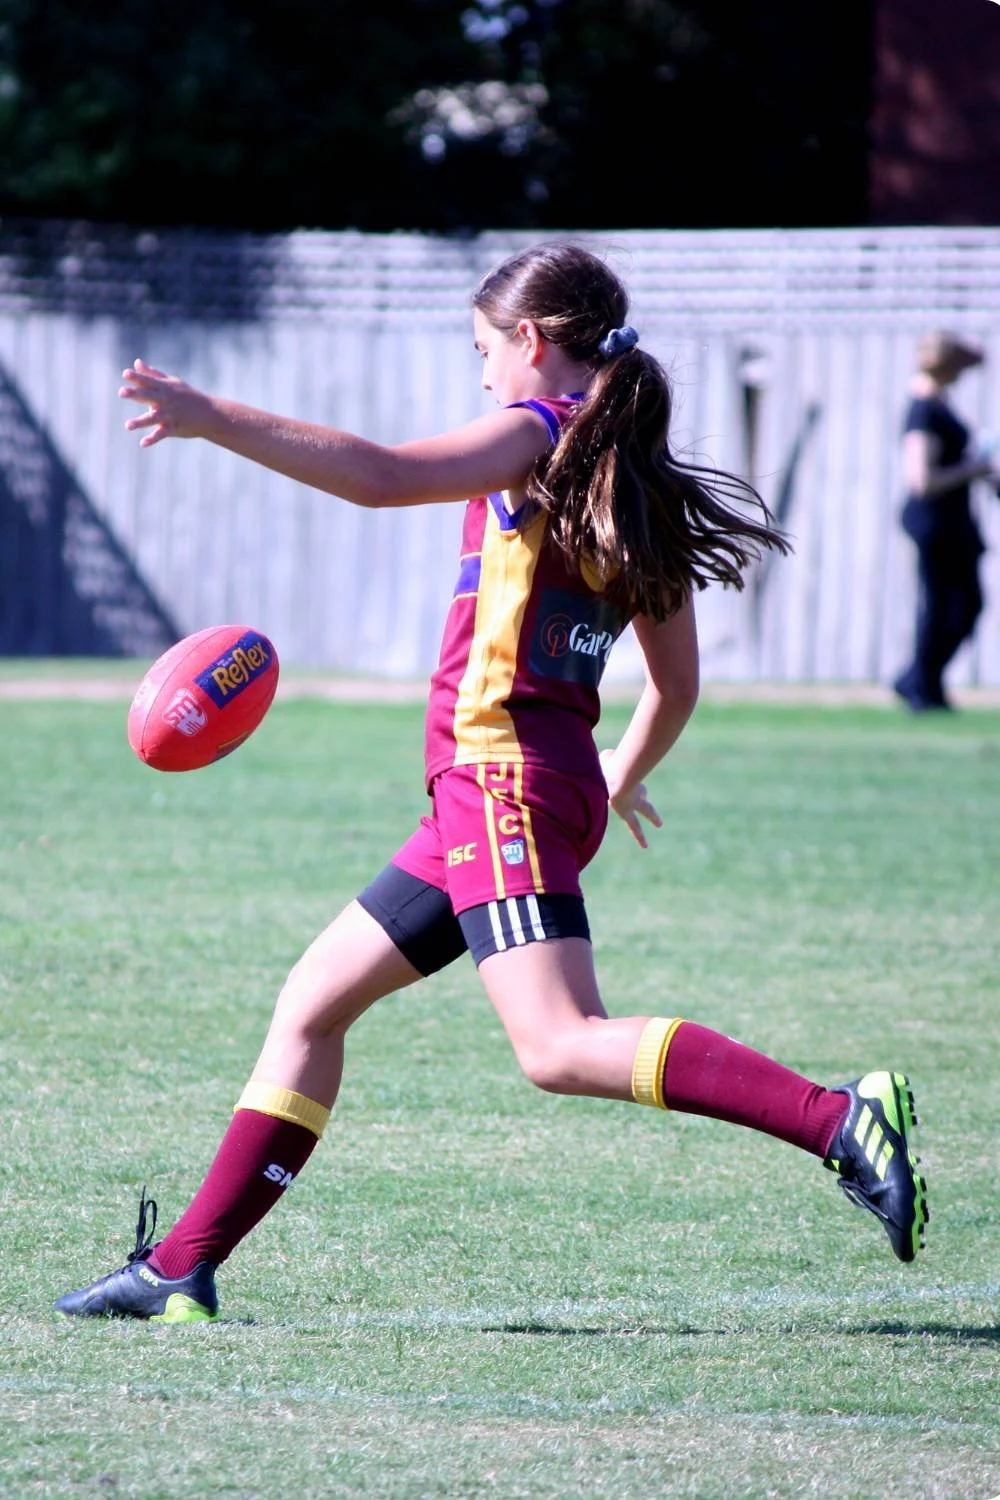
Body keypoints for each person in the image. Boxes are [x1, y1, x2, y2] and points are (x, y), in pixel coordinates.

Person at [56, 242, 928, 1325]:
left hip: (500, 787)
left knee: (558, 1043)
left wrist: (211, 416)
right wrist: (612, 779)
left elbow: (382, 477)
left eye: (482, 351)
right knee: (313, 1004)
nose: (481, 376)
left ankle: (837, 1118)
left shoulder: (539, 435)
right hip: (515, 792)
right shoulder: (632, 478)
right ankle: (179, 1268)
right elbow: (676, 686)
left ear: (530, 340)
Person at [893, 329, 997, 712]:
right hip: (934, 523)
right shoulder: (924, 410)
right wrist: (974, 468)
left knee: (965, 604)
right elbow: (921, 479)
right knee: (941, 606)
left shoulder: (940, 404)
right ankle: (919, 686)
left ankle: (921, 681)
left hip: (954, 522)